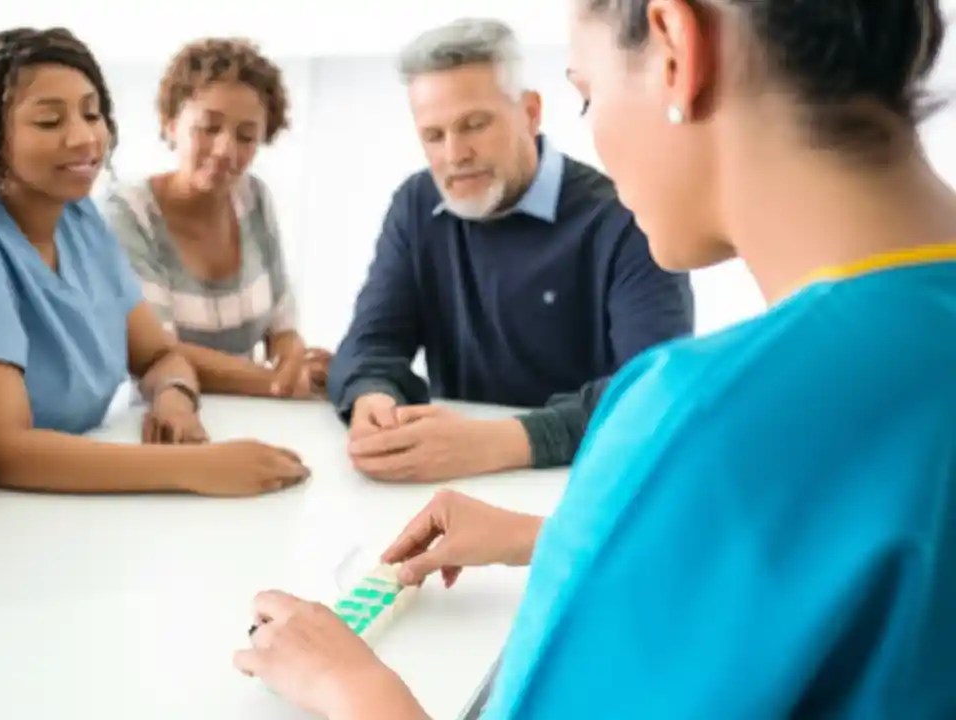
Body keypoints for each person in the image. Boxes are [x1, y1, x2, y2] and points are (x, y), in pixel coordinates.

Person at [235, 0, 956, 717]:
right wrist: (556, 538)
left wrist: (348, 684)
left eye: (588, 94)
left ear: (677, 48)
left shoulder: (694, 416)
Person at [0, 28, 309, 511]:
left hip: (29, 503)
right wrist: (199, 468)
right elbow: (3, 451)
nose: (84, 138)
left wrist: (173, 397)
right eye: (48, 121)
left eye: (91, 113)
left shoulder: (80, 219)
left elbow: (156, 357)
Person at [328, 18, 694, 483]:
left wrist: (498, 442)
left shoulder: (624, 218)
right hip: (453, 485)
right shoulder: (417, 205)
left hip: (589, 485)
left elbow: (655, 389)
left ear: (531, 112)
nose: (455, 154)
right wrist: (371, 396)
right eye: (433, 136)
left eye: (474, 125)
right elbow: (369, 342)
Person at [101, 38, 331, 400]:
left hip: (256, 408)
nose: (226, 150)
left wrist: (293, 360)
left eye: (246, 136)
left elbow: (282, 326)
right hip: (166, 415)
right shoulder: (128, 212)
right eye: (209, 128)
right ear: (170, 123)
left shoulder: (254, 197)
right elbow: (157, 349)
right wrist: (277, 383)